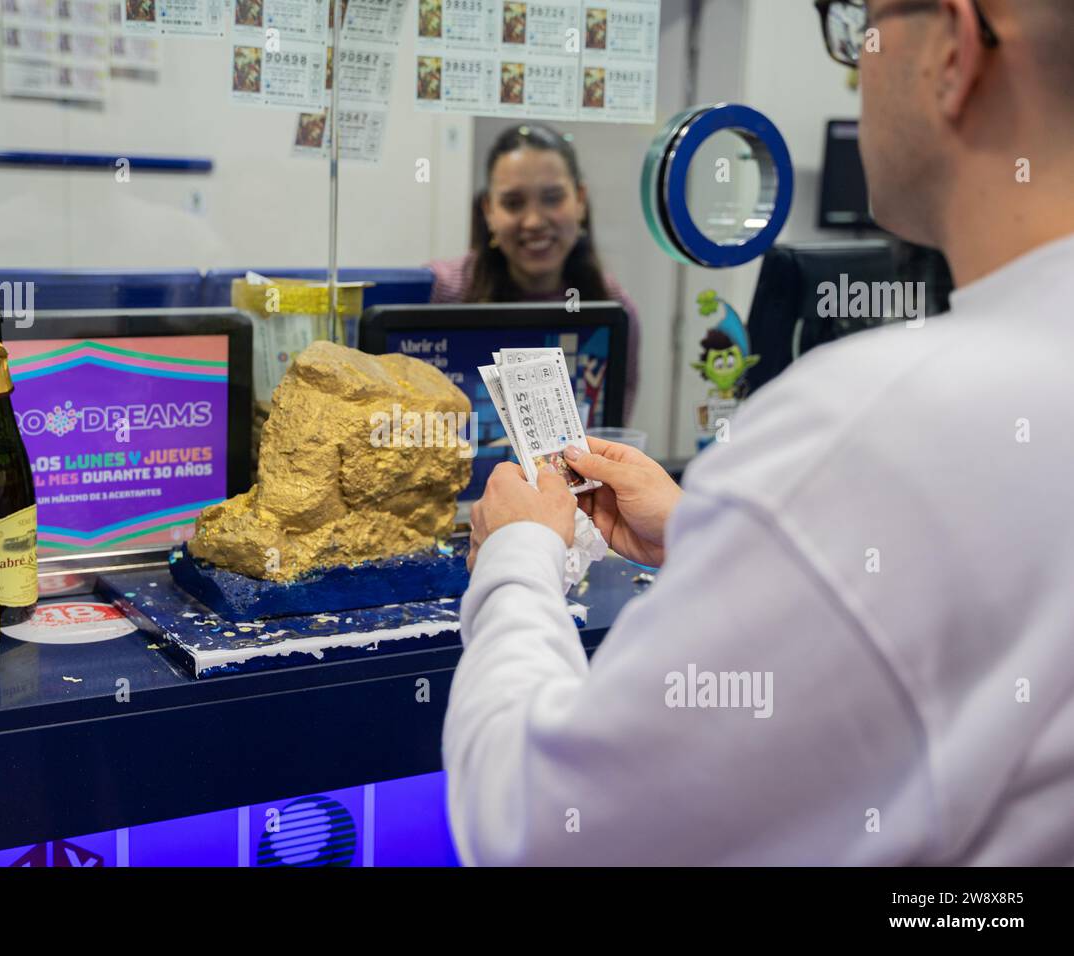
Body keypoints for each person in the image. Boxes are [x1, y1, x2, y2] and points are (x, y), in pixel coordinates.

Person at [444, 0, 1074, 865]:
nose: (852, 73)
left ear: (955, 51)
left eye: (861, 28)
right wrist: (721, 535)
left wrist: (516, 561)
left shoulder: (874, 428)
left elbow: (540, 829)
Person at [428, 123, 642, 423]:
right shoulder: (440, 291)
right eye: (513, 203)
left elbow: (610, 434)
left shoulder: (611, 305)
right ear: (489, 211)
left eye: (553, 198)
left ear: (580, 200)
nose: (533, 221)